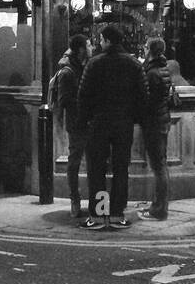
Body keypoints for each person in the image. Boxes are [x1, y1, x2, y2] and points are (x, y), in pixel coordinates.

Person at [76, 24, 146, 230]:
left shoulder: (94, 63)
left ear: (107, 41)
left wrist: (83, 120)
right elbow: (142, 95)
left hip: (99, 123)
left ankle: (98, 215)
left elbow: (84, 95)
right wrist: (135, 118)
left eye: (101, 40)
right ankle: (116, 214)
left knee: (97, 170)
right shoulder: (134, 64)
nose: (99, 43)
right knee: (120, 168)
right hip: (123, 123)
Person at [51, 34, 91, 218]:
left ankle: (95, 201)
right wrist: (84, 104)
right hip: (77, 123)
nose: (91, 47)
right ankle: (75, 200)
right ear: (81, 48)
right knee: (74, 163)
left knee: (93, 163)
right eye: (89, 45)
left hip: (89, 122)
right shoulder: (68, 72)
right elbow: (64, 100)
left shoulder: (85, 66)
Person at [138, 37, 174, 221]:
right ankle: (158, 204)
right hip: (163, 120)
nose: (143, 50)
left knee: (158, 166)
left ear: (150, 50)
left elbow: (148, 101)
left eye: (145, 47)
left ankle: (159, 208)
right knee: (161, 164)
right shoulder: (164, 68)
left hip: (154, 123)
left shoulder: (152, 72)